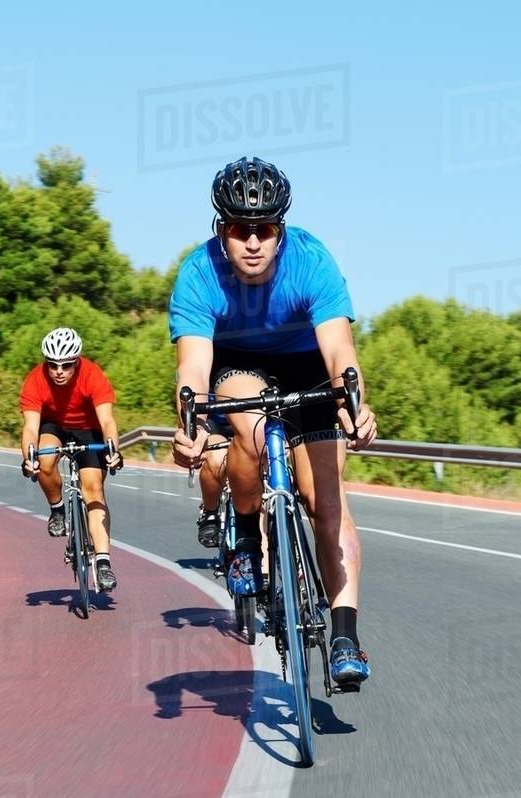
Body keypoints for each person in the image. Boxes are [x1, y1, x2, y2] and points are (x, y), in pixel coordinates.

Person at [169, 156, 378, 687]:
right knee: (252, 428)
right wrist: (191, 425)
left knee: (325, 501)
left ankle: (345, 636)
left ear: (281, 228)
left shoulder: (312, 260)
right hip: (238, 365)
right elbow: (192, 367)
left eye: (264, 229)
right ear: (222, 228)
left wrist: (355, 405)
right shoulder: (199, 272)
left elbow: (340, 352)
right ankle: (245, 537)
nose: (253, 242)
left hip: (307, 364)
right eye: (240, 229)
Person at [20, 327, 124, 592]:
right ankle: (57, 510)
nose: (59, 371)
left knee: (93, 489)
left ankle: (103, 563)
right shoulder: (35, 379)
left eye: (66, 365)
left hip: (89, 429)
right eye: (52, 365)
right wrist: (28, 457)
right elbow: (30, 427)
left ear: (77, 362)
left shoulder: (92, 375)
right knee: (44, 460)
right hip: (54, 426)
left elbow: (107, 421)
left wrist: (113, 450)